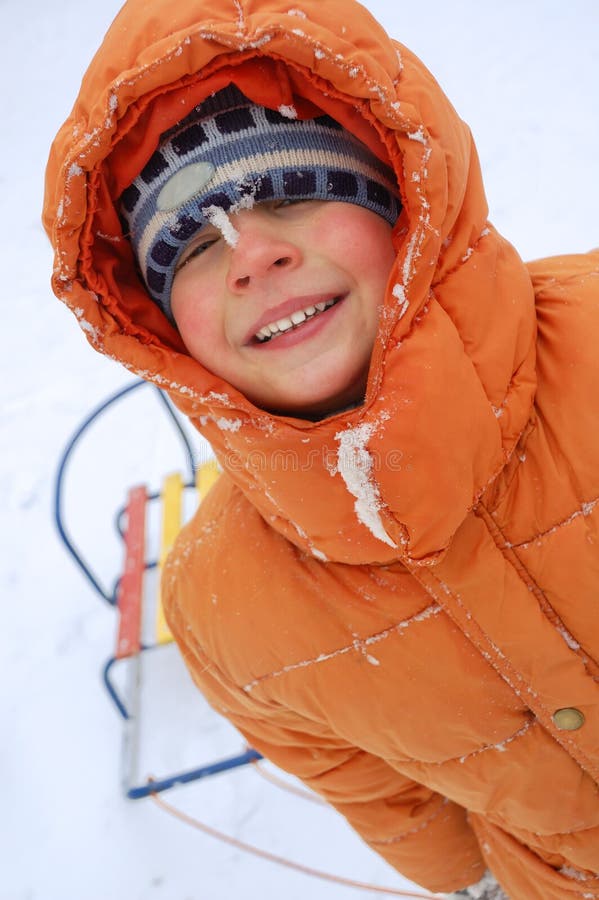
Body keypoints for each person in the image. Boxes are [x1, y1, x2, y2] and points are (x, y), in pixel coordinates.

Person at [43, 1, 599, 898]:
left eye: (293, 194)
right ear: (159, 327)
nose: (251, 257)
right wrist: (467, 881)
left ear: (401, 212)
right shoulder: (223, 607)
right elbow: (372, 788)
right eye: (187, 246)